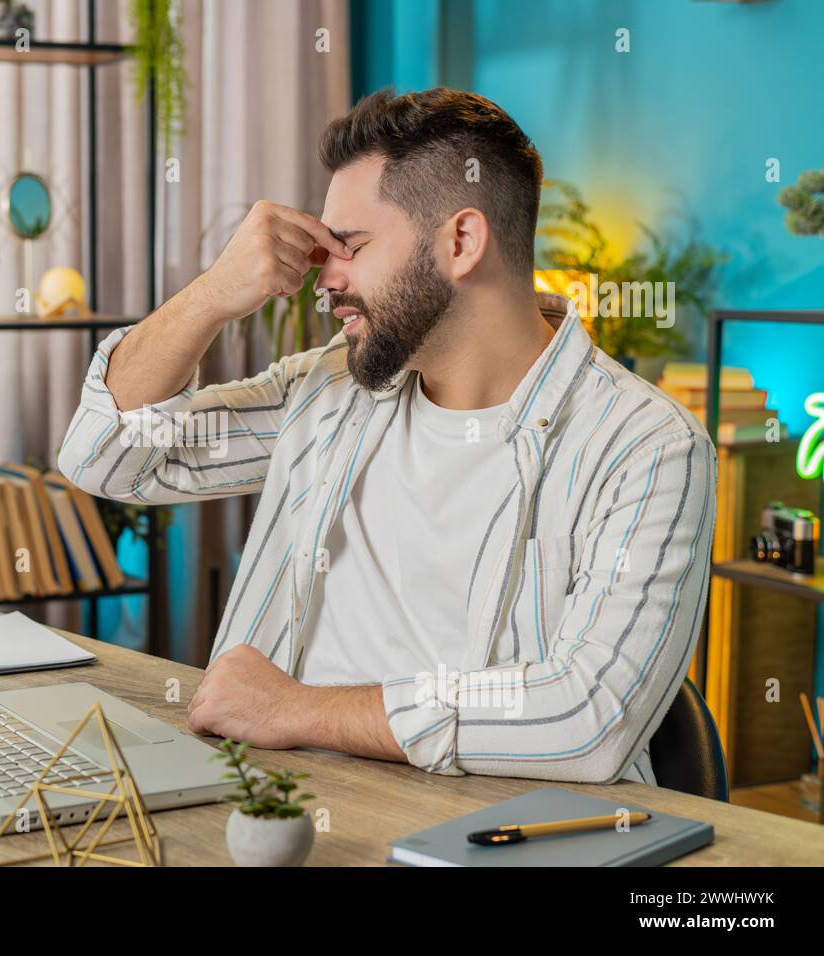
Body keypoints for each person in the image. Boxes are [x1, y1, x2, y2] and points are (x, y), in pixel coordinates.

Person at [57, 88, 717, 784]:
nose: (324, 278)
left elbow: (590, 720)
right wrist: (215, 292)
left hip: (501, 835)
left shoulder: (646, 448)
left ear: (461, 242)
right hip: (279, 812)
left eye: (352, 247)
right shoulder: (328, 393)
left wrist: (299, 711)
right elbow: (109, 457)